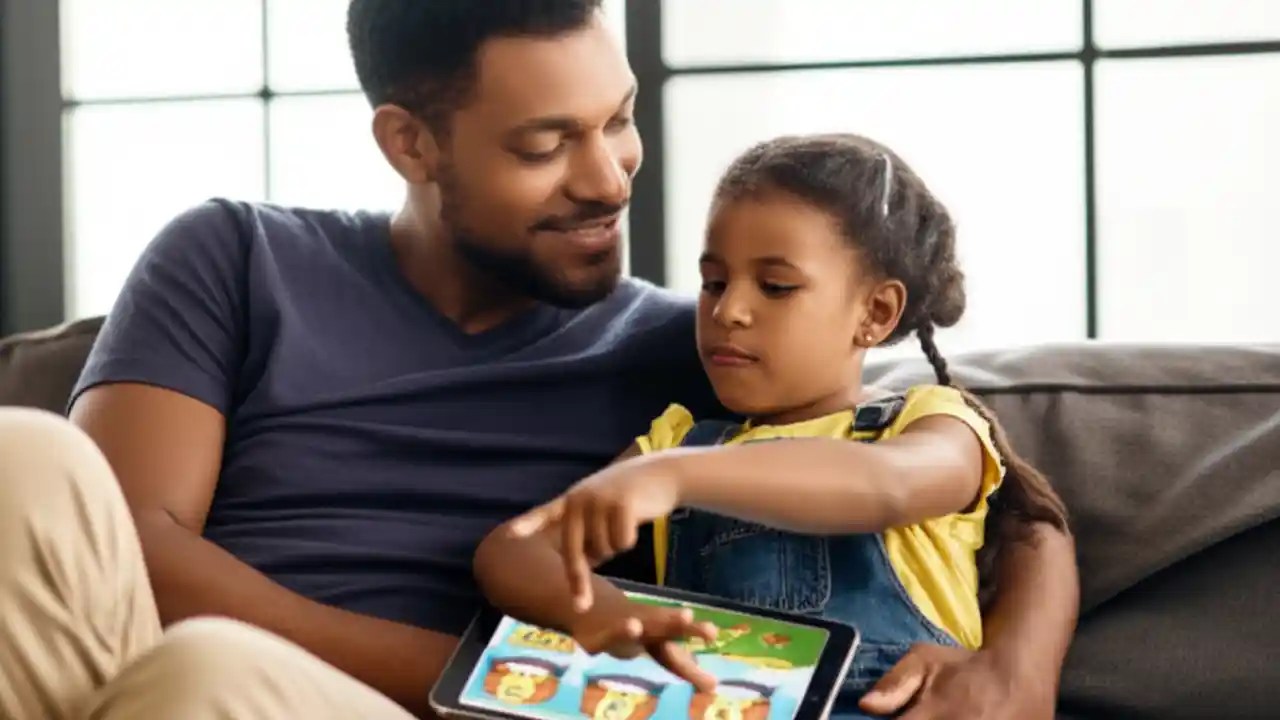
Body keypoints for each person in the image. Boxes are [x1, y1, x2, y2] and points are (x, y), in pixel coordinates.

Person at [0, 2, 1078, 719]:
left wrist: (1015, 669)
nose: (609, 179)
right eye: (543, 143)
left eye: (618, 122)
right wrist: (521, 653)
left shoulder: (695, 349)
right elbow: (126, 543)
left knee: (206, 675)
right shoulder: (236, 254)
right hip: (159, 670)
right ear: (409, 144)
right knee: (21, 459)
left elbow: (979, 489)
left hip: (422, 709)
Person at [475, 133, 1073, 718]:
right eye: (713, 281)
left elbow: (884, 486)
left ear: (875, 312)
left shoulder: (929, 423)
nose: (727, 310)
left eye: (776, 286)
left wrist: (676, 477)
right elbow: (513, 551)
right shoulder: (679, 439)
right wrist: (597, 608)